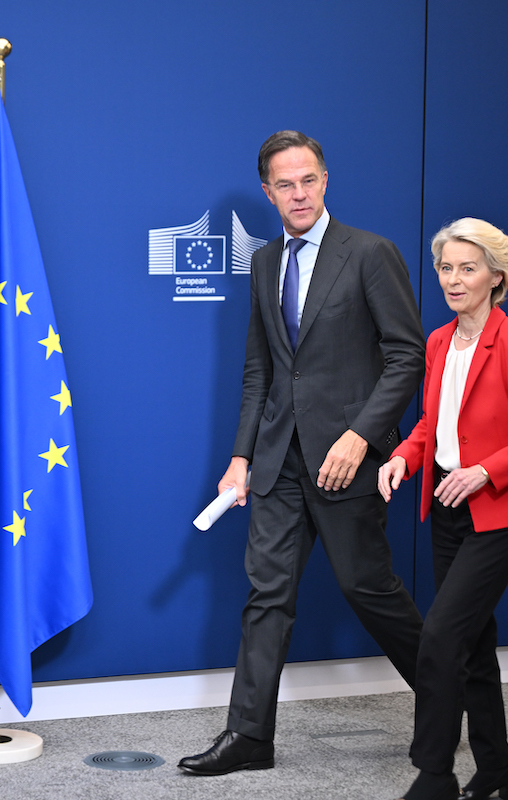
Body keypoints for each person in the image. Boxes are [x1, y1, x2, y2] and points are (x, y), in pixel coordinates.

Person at [178, 131, 426, 776]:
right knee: (267, 595)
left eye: (308, 179)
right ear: (268, 192)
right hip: (276, 461)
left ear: (325, 180)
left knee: (368, 587)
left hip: (347, 458)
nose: (298, 193)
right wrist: (240, 456)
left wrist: (362, 436)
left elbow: (406, 357)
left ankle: (449, 698)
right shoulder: (263, 262)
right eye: (285, 184)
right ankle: (250, 737)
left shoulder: (371, 253)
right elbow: (260, 371)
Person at [378, 218, 508, 800]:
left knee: (439, 639)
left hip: (502, 513)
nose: (453, 280)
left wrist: (485, 470)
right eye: (445, 268)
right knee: (474, 646)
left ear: (496, 277)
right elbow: (434, 425)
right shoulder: (438, 341)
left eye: (467, 268)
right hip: (449, 510)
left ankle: (435, 774)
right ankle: (498, 774)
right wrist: (406, 458)